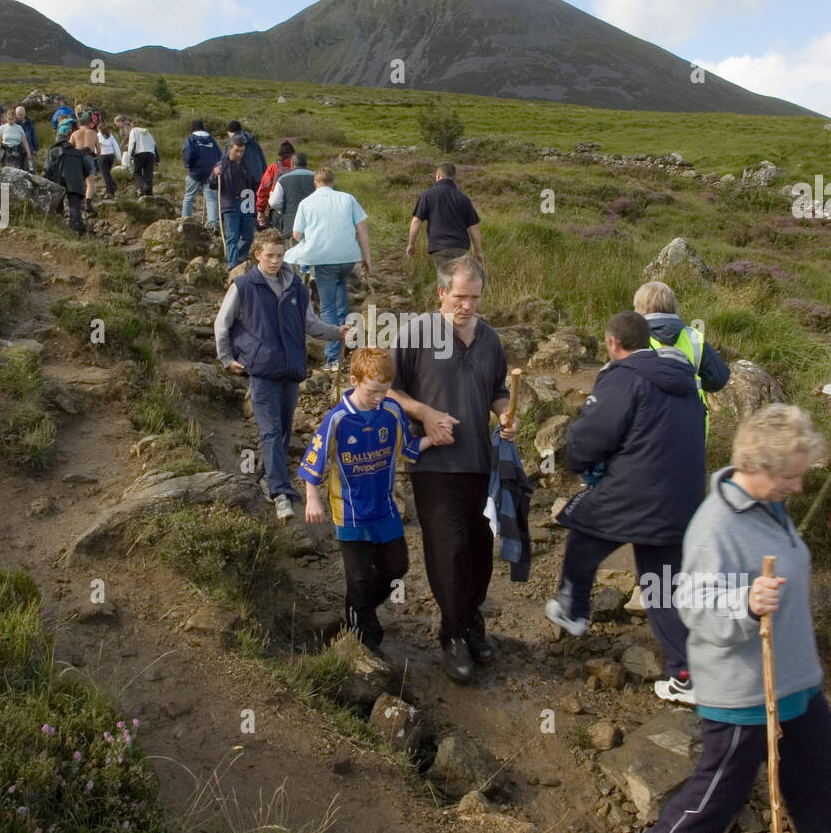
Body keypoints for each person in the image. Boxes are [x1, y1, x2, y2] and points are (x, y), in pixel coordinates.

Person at [625, 405, 831, 833]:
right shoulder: (715, 523)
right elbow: (693, 606)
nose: (799, 484)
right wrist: (745, 602)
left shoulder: (771, 505)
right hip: (743, 690)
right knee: (720, 794)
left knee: (819, 779)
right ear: (757, 467)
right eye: (791, 475)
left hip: (797, 682)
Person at [545, 310, 707, 704]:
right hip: (684, 500)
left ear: (613, 343)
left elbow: (592, 436)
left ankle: (573, 610)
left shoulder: (622, 377)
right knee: (660, 585)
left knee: (583, 534)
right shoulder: (685, 380)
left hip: (636, 494)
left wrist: (580, 463)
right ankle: (686, 673)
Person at [388, 255, 517, 683]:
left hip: (478, 461)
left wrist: (505, 414)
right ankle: (453, 635)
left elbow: (498, 390)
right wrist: (424, 413)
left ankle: (471, 619)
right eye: (459, 296)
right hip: (431, 462)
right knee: (450, 548)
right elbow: (391, 388)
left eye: (474, 298)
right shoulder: (416, 333)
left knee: (480, 547)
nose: (467, 305)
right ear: (441, 292)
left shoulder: (491, 339)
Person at [301, 347, 431, 656]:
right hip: (349, 513)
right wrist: (311, 499)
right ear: (354, 380)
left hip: (385, 509)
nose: (379, 397)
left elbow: (407, 449)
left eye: (385, 391)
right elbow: (313, 461)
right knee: (359, 577)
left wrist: (431, 440)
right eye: (373, 391)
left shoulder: (392, 411)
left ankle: (358, 607)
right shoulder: (337, 420)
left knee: (398, 566)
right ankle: (365, 640)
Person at [214, 228, 349, 521]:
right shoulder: (244, 285)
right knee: (271, 431)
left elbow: (310, 324)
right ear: (258, 254)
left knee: (284, 431)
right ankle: (281, 494)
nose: (275, 261)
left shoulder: (297, 288)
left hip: (290, 370)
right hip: (261, 371)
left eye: (280, 255)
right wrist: (226, 358)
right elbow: (222, 323)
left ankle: (266, 476)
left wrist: (337, 333)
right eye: (270, 256)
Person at [284, 167, 372, 372]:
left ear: (316, 184)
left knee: (328, 307)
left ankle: (333, 358)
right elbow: (362, 228)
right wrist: (367, 258)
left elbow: (296, 234)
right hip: (348, 258)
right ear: (333, 182)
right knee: (340, 296)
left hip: (325, 260)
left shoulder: (307, 203)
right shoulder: (348, 198)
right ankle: (342, 345)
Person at [633, 281, 730, 438]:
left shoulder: (634, 338)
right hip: (692, 434)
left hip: (648, 434)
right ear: (673, 306)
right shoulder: (694, 337)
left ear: (639, 308)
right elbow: (719, 379)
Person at [406, 163, 483, 269]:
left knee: (445, 279)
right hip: (461, 247)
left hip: (439, 247)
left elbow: (416, 221)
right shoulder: (463, 198)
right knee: (456, 280)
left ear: (438, 176)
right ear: (454, 178)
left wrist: (411, 244)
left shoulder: (428, 195)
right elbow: (474, 227)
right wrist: (478, 252)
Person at [217, 135, 259, 269]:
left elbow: (252, 184)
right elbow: (213, 184)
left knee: (248, 235)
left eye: (242, 151)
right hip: (230, 203)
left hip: (246, 201)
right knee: (232, 236)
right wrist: (214, 174)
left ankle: (240, 259)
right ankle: (232, 265)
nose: (239, 154)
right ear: (230, 149)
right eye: (237, 151)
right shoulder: (222, 165)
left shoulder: (245, 165)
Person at [43, 128, 90, 234]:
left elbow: (47, 168)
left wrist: (47, 180)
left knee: (56, 205)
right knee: (74, 206)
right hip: (76, 181)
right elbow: (87, 168)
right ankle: (77, 229)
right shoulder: (78, 152)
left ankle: (58, 228)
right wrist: (81, 177)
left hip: (58, 181)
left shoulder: (53, 151)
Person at [180, 119, 221, 231]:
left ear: (192, 128)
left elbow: (187, 153)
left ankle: (185, 220)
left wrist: (188, 165)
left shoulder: (191, 139)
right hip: (210, 173)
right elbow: (219, 156)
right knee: (211, 199)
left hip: (195, 173)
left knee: (189, 197)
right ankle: (213, 224)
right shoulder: (212, 140)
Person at [268, 151, 315, 241]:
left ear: (292, 165)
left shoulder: (283, 179)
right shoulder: (316, 178)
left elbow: (273, 202)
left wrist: (285, 209)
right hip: (313, 226)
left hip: (291, 225)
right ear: (306, 164)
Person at [256, 140, 294, 226]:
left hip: (276, 208)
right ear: (293, 154)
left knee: (278, 237)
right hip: (295, 208)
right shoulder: (298, 168)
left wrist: (260, 210)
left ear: (279, 154)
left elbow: (263, 189)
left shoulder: (273, 167)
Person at [225, 120, 266, 193]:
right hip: (258, 178)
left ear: (230, 131)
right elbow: (262, 159)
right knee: (255, 202)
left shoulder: (232, 143)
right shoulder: (253, 142)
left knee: (242, 203)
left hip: (242, 180)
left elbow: (226, 161)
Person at [69, 113, 99, 207]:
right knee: (90, 182)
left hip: (77, 157)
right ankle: (88, 202)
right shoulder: (94, 133)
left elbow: (69, 147)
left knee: (79, 180)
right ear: (89, 124)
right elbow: (99, 150)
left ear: (79, 125)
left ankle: (79, 200)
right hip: (89, 157)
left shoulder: (74, 134)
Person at [127, 119, 159, 196]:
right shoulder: (147, 132)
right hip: (151, 154)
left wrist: (130, 155)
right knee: (148, 174)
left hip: (140, 153)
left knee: (137, 173)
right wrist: (157, 159)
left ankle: (144, 186)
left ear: (132, 126)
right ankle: (149, 194)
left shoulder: (133, 131)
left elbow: (132, 143)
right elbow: (154, 144)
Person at [96, 124, 122, 196]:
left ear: (98, 129)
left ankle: (110, 191)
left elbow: (95, 147)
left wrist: (95, 155)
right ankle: (113, 185)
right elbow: (116, 146)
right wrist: (119, 158)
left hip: (102, 156)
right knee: (107, 173)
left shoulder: (97, 136)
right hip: (111, 156)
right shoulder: (110, 135)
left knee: (105, 174)